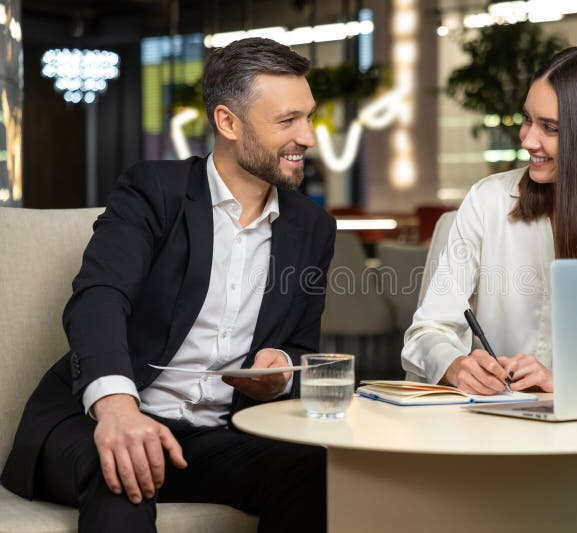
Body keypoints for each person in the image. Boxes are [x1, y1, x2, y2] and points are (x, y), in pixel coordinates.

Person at [1, 37, 335, 532]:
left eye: (308, 117)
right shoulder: (153, 190)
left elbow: (301, 348)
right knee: (126, 471)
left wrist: (280, 371)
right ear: (227, 122)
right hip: (96, 421)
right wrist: (117, 409)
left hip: (213, 437)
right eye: (288, 121)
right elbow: (99, 298)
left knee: (315, 470)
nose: (307, 137)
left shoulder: (312, 227)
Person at [401, 46, 577, 396]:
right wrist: (456, 366)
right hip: (492, 419)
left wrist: (565, 385)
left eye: (550, 128)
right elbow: (427, 331)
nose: (528, 139)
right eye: (528, 119)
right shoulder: (488, 201)